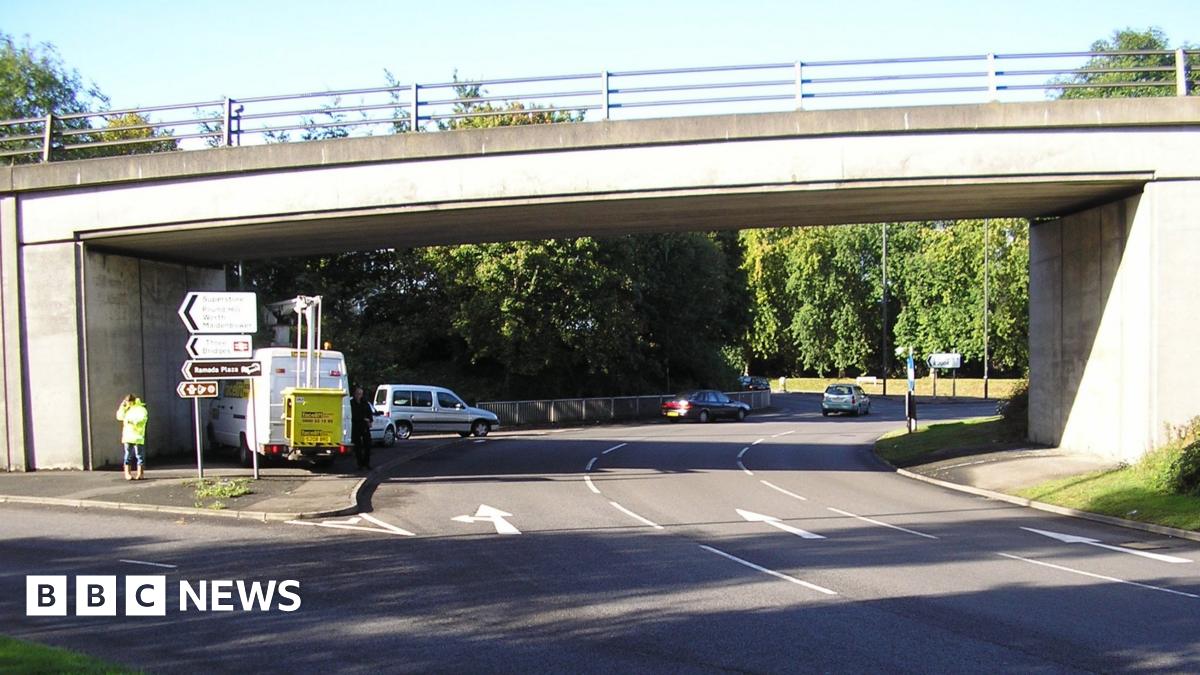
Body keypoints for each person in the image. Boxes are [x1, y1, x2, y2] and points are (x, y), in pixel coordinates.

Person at [116, 394, 149, 480]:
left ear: (133, 401)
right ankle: (127, 474)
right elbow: (119, 417)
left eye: (129, 402)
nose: (128, 403)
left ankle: (140, 474)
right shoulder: (127, 409)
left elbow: (142, 419)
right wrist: (122, 407)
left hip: (138, 435)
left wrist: (132, 422)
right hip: (128, 435)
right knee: (128, 455)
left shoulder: (141, 409)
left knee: (139, 455)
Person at [349, 386, 374, 470]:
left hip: (365, 426)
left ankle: (366, 463)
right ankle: (360, 464)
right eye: (357, 394)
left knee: (368, 445)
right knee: (357, 447)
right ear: (354, 394)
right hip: (355, 426)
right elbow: (352, 416)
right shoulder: (351, 403)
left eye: (360, 394)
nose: (359, 395)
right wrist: (363, 418)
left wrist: (369, 420)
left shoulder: (365, 403)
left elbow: (369, 414)